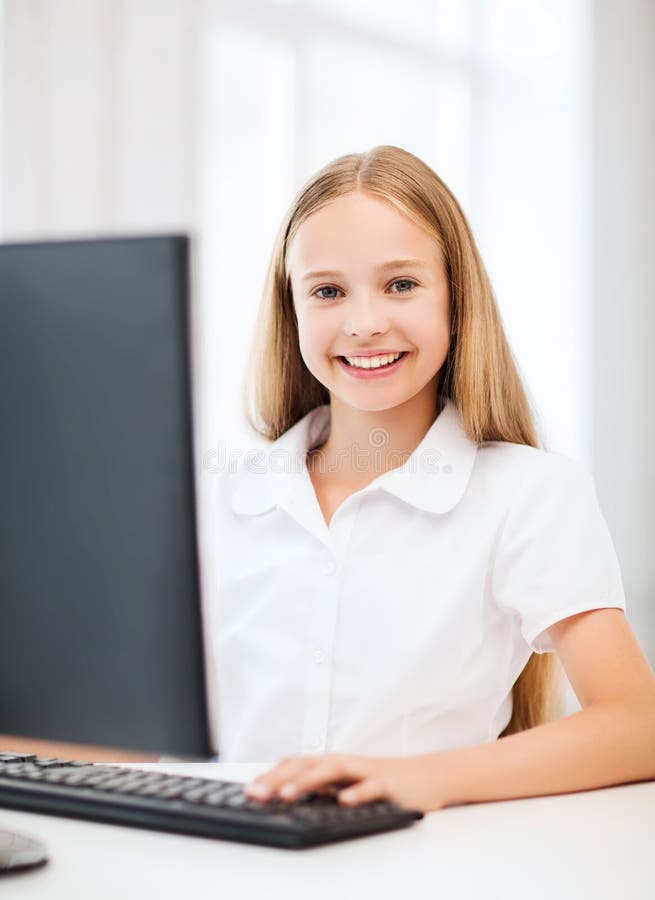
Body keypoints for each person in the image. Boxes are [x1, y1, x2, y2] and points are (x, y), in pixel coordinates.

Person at [207, 144, 655, 812]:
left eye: (401, 285)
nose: (364, 324)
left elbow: (637, 727)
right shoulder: (223, 497)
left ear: (455, 298)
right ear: (291, 309)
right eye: (327, 291)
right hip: (231, 855)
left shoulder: (529, 494)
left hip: (429, 857)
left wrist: (418, 780)